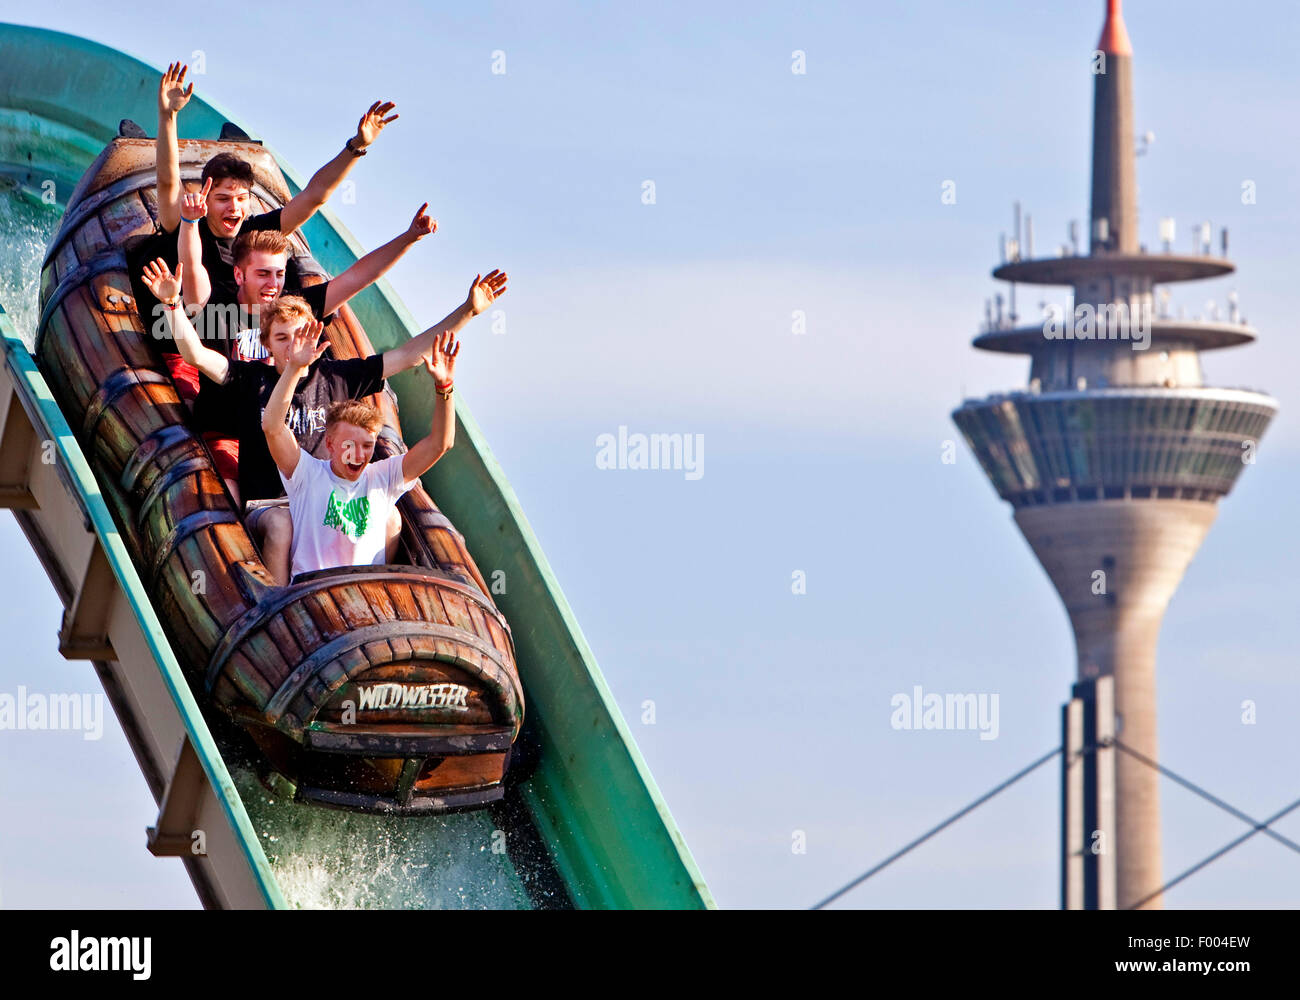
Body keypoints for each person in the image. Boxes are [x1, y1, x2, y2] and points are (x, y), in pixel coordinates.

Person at [137, 266, 506, 580]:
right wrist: (171, 305)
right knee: (283, 526)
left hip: (328, 497)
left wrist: (467, 312)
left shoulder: (337, 377)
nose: (291, 345)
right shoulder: (252, 380)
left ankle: (375, 586)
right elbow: (195, 354)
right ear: (266, 343)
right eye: (281, 338)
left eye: (299, 334)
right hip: (274, 501)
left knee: (390, 519)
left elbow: (409, 355)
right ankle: (278, 607)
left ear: (314, 334)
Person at [130, 61, 398, 328]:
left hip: (246, 337)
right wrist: (168, 117)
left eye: (241, 198)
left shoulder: (255, 233)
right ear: (207, 200)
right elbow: (167, 182)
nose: (233, 207)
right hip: (187, 333)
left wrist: (356, 147)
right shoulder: (185, 224)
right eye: (223, 199)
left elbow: (314, 196)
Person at [262, 321, 459, 584]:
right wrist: (295, 370)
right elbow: (273, 427)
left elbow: (440, 444)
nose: (358, 455)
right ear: (330, 444)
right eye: (348, 446)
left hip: (365, 595)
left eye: (367, 446)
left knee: (393, 517)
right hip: (312, 594)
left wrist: (444, 389)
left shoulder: (383, 476)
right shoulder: (307, 474)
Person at [176, 188, 436, 363]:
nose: (273, 284)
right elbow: (192, 266)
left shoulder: (294, 307)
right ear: (239, 275)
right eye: (263, 274)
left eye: (279, 274)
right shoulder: (218, 308)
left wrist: (409, 238)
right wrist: (189, 223)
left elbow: (359, 276)